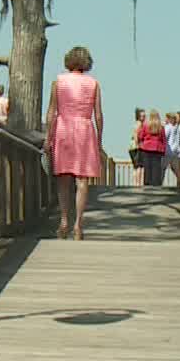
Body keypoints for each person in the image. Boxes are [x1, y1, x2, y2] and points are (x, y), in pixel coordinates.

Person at [44, 46, 103, 238]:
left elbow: (52, 112)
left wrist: (48, 137)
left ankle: (63, 220)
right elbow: (99, 115)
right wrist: (99, 140)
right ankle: (78, 223)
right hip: (85, 130)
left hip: (63, 128)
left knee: (63, 178)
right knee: (82, 179)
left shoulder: (58, 82)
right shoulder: (93, 84)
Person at [136, 109, 168, 186]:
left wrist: (141, 143)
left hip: (146, 148)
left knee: (147, 167)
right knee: (156, 167)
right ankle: (156, 183)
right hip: (158, 148)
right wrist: (164, 148)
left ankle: (147, 183)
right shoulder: (161, 127)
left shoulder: (145, 125)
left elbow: (140, 136)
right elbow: (164, 138)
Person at [165, 112, 180, 186]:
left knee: (177, 168)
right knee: (176, 167)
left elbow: (179, 137)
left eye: (177, 117)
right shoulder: (176, 126)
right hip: (176, 150)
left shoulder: (179, 126)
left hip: (176, 150)